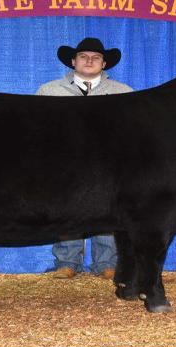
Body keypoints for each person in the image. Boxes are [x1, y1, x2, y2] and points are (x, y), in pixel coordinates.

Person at [36, 37, 134, 280]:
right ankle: (67, 263)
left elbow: (134, 129)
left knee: (108, 210)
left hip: (108, 164)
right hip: (65, 162)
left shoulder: (123, 92)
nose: (89, 61)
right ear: (73, 61)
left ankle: (107, 264)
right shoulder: (49, 91)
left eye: (96, 57)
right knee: (67, 209)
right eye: (83, 56)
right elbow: (37, 128)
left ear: (104, 64)